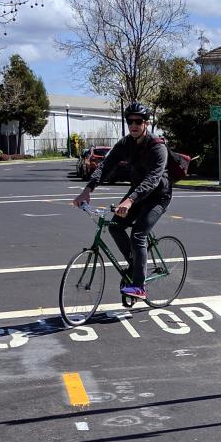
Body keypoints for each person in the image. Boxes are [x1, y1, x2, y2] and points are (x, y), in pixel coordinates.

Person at [73, 102, 170, 299]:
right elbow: (105, 165)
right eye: (130, 121)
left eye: (138, 121)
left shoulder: (158, 148)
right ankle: (135, 264)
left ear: (146, 123)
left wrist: (129, 200)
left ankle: (139, 286)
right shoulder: (126, 143)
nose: (133, 125)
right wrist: (87, 189)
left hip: (158, 196)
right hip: (136, 193)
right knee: (116, 226)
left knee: (138, 234)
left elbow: (152, 180)